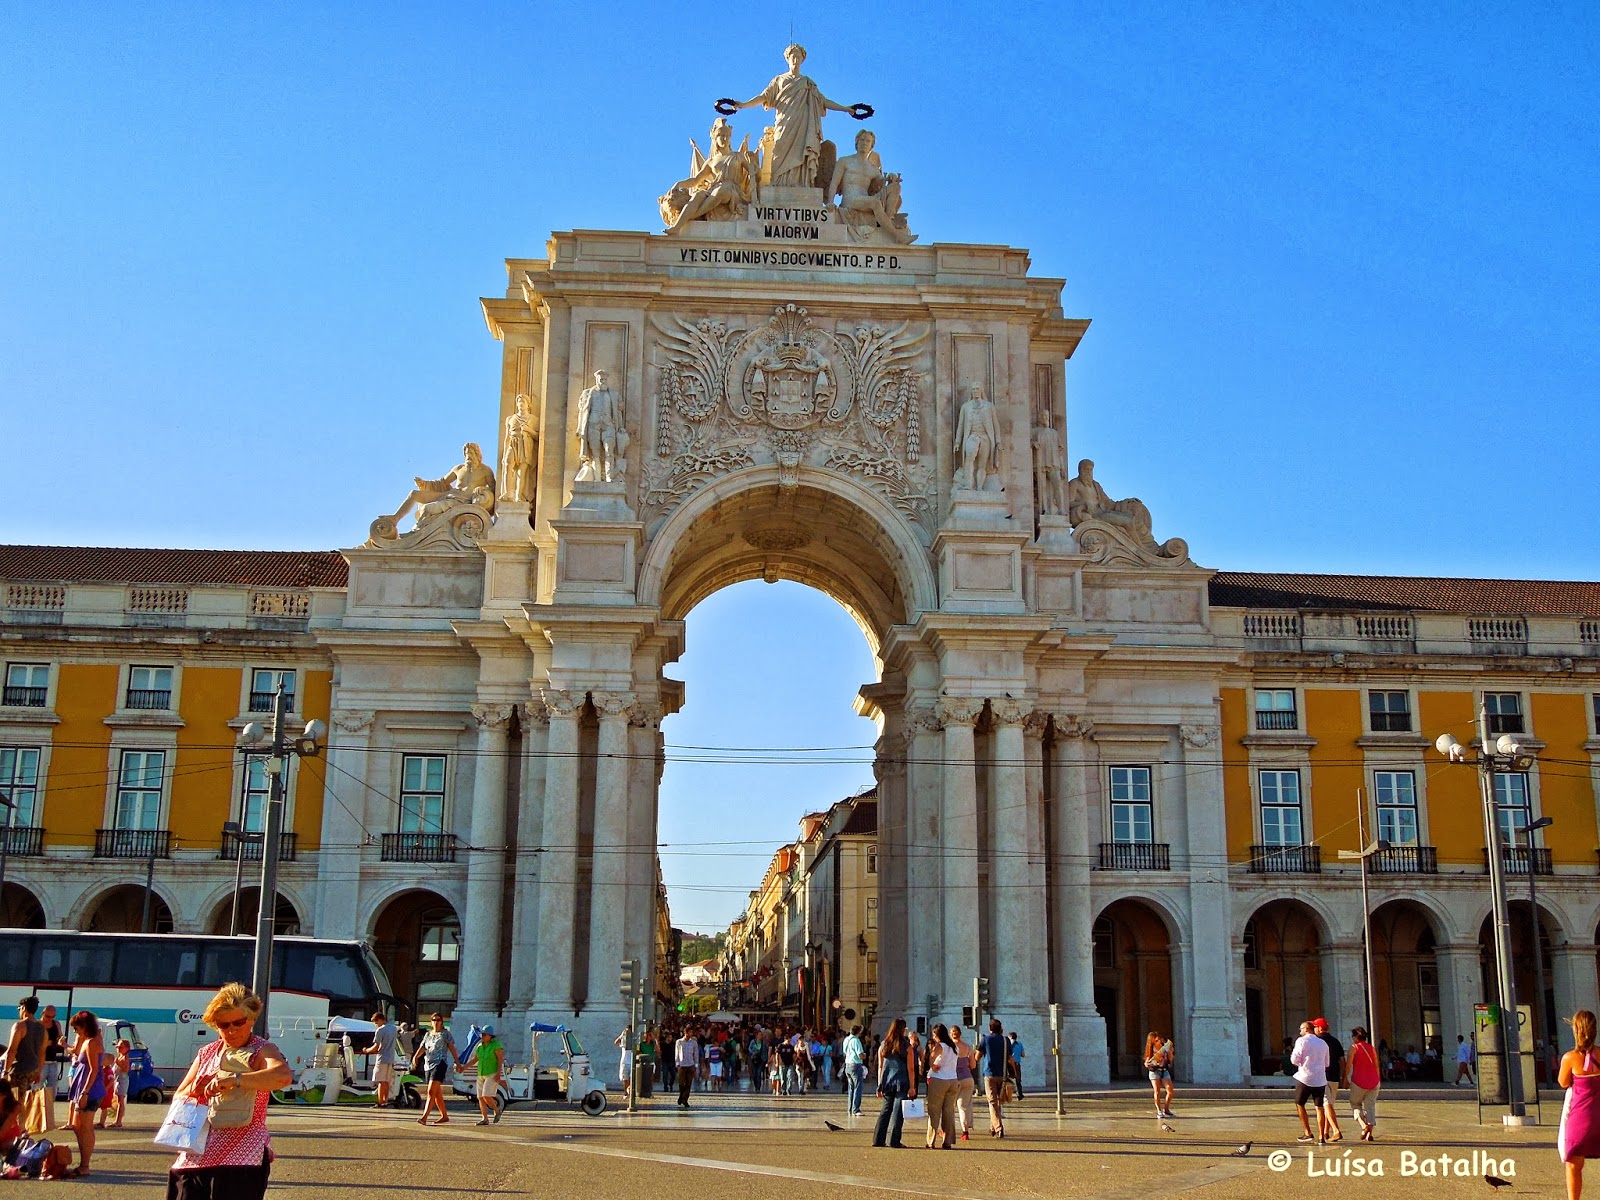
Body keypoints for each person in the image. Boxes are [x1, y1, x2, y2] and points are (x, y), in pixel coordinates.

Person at [168, 982, 292, 1200]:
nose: (232, 1030)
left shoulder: (261, 1049)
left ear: (251, 1019)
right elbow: (179, 1095)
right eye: (223, 1025)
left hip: (241, 1155)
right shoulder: (207, 1053)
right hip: (195, 1155)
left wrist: (236, 1079)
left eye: (238, 1022)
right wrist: (197, 1089)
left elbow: (282, 1076)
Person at [727, 44, 865, 189]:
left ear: (802, 59)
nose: (796, 60)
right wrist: (742, 105)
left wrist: (845, 109)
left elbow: (823, 101)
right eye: (793, 56)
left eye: (799, 57)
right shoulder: (779, 80)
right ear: (787, 58)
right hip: (784, 124)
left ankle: (801, 185)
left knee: (802, 153)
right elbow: (763, 97)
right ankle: (778, 184)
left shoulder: (807, 83)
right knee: (779, 152)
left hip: (803, 126)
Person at [826, 129, 914, 244]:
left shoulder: (873, 168)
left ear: (871, 145)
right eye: (862, 140)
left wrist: (891, 177)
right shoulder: (845, 161)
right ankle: (897, 236)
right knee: (875, 203)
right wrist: (830, 201)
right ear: (856, 142)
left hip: (866, 201)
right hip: (850, 199)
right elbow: (834, 183)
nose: (864, 143)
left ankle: (887, 220)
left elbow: (881, 184)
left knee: (895, 187)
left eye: (868, 141)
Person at [387, 443, 496, 528]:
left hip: (463, 501)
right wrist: (424, 484)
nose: (468, 457)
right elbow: (443, 482)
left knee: (427, 509)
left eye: (471, 454)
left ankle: (419, 532)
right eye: (466, 454)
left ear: (478, 455)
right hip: (450, 495)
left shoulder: (485, 470)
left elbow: (494, 488)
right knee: (414, 494)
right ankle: (394, 519)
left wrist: (482, 488)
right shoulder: (459, 468)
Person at [1559, 1010, 1600, 1200]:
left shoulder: (1570, 1058)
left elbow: (1563, 1082)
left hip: (1581, 1119)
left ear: (1576, 1030)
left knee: (1574, 1166)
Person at [64, 1011, 104, 1176]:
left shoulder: (92, 1042)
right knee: (77, 1126)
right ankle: (83, 1164)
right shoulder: (89, 1041)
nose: (75, 1031)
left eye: (76, 1027)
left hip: (90, 1090)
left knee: (85, 1128)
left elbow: (94, 1069)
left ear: (84, 1026)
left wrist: (85, 1092)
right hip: (84, 1088)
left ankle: (85, 1165)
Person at [574, 370, 627, 484]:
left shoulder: (613, 394)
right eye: (601, 379)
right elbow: (582, 412)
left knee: (609, 450)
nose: (603, 381)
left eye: (605, 379)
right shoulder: (588, 393)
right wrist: (580, 428)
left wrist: (621, 426)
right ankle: (597, 479)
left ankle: (609, 477)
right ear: (597, 380)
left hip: (608, 425)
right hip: (593, 425)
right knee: (595, 454)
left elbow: (618, 413)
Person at [872, 1017, 915, 1149]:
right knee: (898, 1112)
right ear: (903, 1030)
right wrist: (912, 1086)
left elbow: (880, 1066)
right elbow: (911, 1068)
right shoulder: (907, 1046)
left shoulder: (884, 1045)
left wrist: (880, 1085)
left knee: (885, 1111)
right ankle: (894, 1141)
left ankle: (878, 1139)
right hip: (902, 1081)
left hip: (887, 1081)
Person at [411, 1012, 457, 1126]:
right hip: (428, 1064)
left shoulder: (445, 1034)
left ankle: (424, 1117)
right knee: (436, 1093)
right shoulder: (428, 1034)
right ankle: (444, 1116)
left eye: (438, 1020)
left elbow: (452, 1048)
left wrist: (458, 1062)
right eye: (434, 1020)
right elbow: (422, 1047)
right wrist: (416, 1057)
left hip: (440, 1063)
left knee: (431, 1091)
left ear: (442, 1022)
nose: (436, 1022)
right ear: (431, 1022)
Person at [1291, 1020, 1331, 1144]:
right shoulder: (1323, 1043)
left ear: (1306, 1029)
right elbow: (1327, 1063)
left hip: (1305, 1077)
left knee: (1299, 1103)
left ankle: (1307, 1132)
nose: (1300, 1031)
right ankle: (1321, 1136)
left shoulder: (1301, 1041)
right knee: (1319, 1107)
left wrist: (1301, 1064)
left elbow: (1294, 1059)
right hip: (1320, 1079)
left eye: (1301, 1029)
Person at [954, 385, 999, 491]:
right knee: (969, 460)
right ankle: (968, 485)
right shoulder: (966, 407)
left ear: (981, 390)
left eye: (977, 389)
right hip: (972, 436)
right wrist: (957, 441)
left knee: (982, 465)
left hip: (985, 437)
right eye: (973, 389)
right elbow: (960, 425)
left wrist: (999, 441)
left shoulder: (989, 406)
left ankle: (979, 487)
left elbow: (995, 424)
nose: (975, 391)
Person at [924, 1024, 960, 1149]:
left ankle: (931, 1140)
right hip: (953, 1079)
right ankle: (947, 1141)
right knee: (949, 1111)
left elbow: (931, 1058)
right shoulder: (954, 1047)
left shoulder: (940, 1046)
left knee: (934, 1111)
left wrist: (932, 1066)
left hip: (939, 1079)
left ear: (937, 1035)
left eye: (934, 1035)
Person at [1344, 1026, 1382, 1142]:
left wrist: (1345, 1078)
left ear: (1355, 1037)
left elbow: (1349, 1065)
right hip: (1374, 1081)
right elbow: (1376, 1065)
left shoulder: (1354, 1048)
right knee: (1370, 1106)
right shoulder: (1371, 1048)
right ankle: (1369, 1132)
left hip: (1359, 1081)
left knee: (1355, 1104)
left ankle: (1363, 1125)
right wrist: (1378, 1078)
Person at [499, 392, 537, 503]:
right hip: (513, 443)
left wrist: (528, 429)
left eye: (523, 401)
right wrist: (505, 451)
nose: (521, 403)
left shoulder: (533, 419)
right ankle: (507, 492)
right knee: (507, 465)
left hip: (526, 444)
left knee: (522, 471)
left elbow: (538, 436)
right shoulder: (510, 419)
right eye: (519, 401)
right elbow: (507, 437)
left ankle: (518, 496)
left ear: (528, 404)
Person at [4, 996, 44, 1096]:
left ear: (24, 1008)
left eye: (19, 1009)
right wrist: (38, 1072)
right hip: (33, 1070)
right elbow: (42, 1052)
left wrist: (5, 1071)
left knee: (14, 1100)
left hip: (19, 1070)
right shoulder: (42, 1028)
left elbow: (12, 1050)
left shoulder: (19, 1026)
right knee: (25, 1099)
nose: (19, 1012)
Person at [1312, 1018, 1344, 1141]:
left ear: (1320, 1028)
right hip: (1335, 1077)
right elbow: (1342, 1060)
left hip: (1322, 1076)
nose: (1314, 1029)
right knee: (1329, 1104)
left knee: (1326, 1103)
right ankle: (1326, 1132)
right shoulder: (1335, 1041)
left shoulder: (1317, 1042)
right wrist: (1343, 1076)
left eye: (1315, 1026)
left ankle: (1336, 1131)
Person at [465, 1024, 504, 1126]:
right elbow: (475, 1060)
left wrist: (498, 1073)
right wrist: (464, 1068)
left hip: (492, 1073)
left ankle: (497, 1110)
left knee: (486, 1095)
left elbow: (500, 1059)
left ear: (490, 1036)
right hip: (481, 1073)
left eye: (485, 1034)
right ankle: (484, 1118)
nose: (482, 1036)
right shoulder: (480, 1046)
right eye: (482, 1034)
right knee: (480, 1097)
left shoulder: (496, 1045)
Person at [361, 1011, 400, 1108]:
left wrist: (366, 1050)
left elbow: (376, 1046)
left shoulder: (380, 1030)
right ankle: (385, 1101)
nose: (376, 1025)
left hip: (382, 1058)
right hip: (391, 1058)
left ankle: (380, 1102)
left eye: (376, 1022)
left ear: (380, 1020)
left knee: (380, 1081)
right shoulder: (393, 1028)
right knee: (386, 1081)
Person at [980, 1018, 1012, 1139]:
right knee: (997, 1102)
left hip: (989, 1074)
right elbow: (1010, 1058)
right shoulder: (1006, 1040)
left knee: (992, 1101)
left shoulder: (986, 1039)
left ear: (990, 1028)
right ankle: (993, 1127)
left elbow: (978, 1056)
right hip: (1003, 1074)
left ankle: (998, 1127)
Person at [950, 1026, 977, 1141]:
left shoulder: (949, 1048)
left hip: (954, 1079)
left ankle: (946, 1130)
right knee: (964, 1106)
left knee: (950, 1106)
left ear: (951, 1034)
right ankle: (965, 1132)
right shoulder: (967, 1047)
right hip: (967, 1079)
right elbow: (973, 1065)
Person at [1144, 1030, 1175, 1117]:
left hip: (1164, 1070)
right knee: (1157, 1091)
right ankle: (1159, 1110)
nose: (1158, 1041)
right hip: (1154, 1071)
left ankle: (1166, 1108)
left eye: (1158, 1039)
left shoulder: (1164, 1048)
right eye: (1156, 1040)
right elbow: (1146, 1062)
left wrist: (1170, 1053)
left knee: (1170, 1091)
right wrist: (1148, 1064)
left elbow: (1170, 1059)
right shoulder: (1150, 1050)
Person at [842, 1024, 868, 1116]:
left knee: (851, 1088)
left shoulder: (846, 1040)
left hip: (848, 1065)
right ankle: (856, 1109)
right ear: (859, 1032)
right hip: (855, 1065)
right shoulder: (856, 1041)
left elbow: (844, 1054)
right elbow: (860, 1054)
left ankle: (850, 1108)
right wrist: (864, 1056)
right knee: (858, 1087)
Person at [108, 1038, 131, 1128]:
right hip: (118, 1080)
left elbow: (126, 1069)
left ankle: (118, 1121)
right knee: (118, 1101)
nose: (118, 1049)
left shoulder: (125, 1058)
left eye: (121, 1047)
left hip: (122, 1080)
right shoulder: (120, 1057)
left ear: (126, 1048)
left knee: (121, 1101)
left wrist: (118, 1063)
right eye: (117, 1047)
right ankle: (117, 1120)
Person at [674, 1024, 699, 1108]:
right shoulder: (679, 1042)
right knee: (681, 1084)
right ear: (686, 1032)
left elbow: (696, 1054)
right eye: (690, 1032)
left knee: (688, 1084)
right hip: (682, 1065)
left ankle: (685, 1100)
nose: (691, 1034)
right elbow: (677, 1053)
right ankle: (681, 1095)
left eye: (692, 1032)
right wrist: (677, 1064)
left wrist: (696, 1065)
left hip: (690, 1065)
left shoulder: (694, 1043)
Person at [615, 1026, 634, 1101]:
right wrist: (622, 1035)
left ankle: (630, 1092)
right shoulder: (623, 1038)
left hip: (631, 1062)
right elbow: (616, 1042)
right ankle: (625, 1093)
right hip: (624, 1062)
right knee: (625, 1079)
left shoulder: (633, 1039)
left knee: (632, 1079)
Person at [1008, 1032, 1027, 1100]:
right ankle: (1020, 1094)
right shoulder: (1019, 1044)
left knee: (1006, 1078)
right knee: (1018, 1080)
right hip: (1017, 1064)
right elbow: (1023, 1054)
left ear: (1010, 1037)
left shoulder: (1009, 1044)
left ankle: (1006, 1093)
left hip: (1009, 1064)